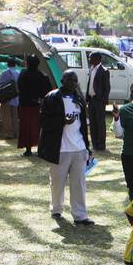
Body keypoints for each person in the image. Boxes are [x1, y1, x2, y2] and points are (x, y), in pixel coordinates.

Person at [39, 70, 94, 226]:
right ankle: (56, 209)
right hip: (60, 149)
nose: (72, 82)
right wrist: (61, 121)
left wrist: (87, 147)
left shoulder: (79, 99)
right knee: (57, 182)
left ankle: (80, 215)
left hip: (79, 148)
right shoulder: (52, 97)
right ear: (62, 80)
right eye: (69, 79)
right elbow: (43, 121)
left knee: (79, 183)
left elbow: (83, 126)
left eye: (75, 80)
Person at [16, 54, 49, 157]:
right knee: (39, 126)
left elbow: (20, 88)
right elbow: (47, 90)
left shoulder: (23, 74)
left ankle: (28, 149)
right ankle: (41, 148)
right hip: (39, 105)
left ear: (27, 63)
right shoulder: (43, 75)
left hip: (26, 105)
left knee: (26, 127)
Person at [86, 52, 111, 152]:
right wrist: (87, 98)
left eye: (91, 58)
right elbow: (90, 84)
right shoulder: (91, 68)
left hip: (99, 100)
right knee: (92, 122)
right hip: (91, 100)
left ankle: (101, 145)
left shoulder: (104, 71)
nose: (89, 59)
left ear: (97, 59)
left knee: (100, 123)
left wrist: (103, 101)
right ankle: (95, 143)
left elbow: (107, 87)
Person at [0, 59, 20, 140]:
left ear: (7, 64)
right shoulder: (18, 73)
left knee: (6, 117)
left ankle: (8, 134)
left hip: (6, 98)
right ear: (15, 64)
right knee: (15, 117)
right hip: (15, 98)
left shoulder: (5, 73)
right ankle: (16, 133)